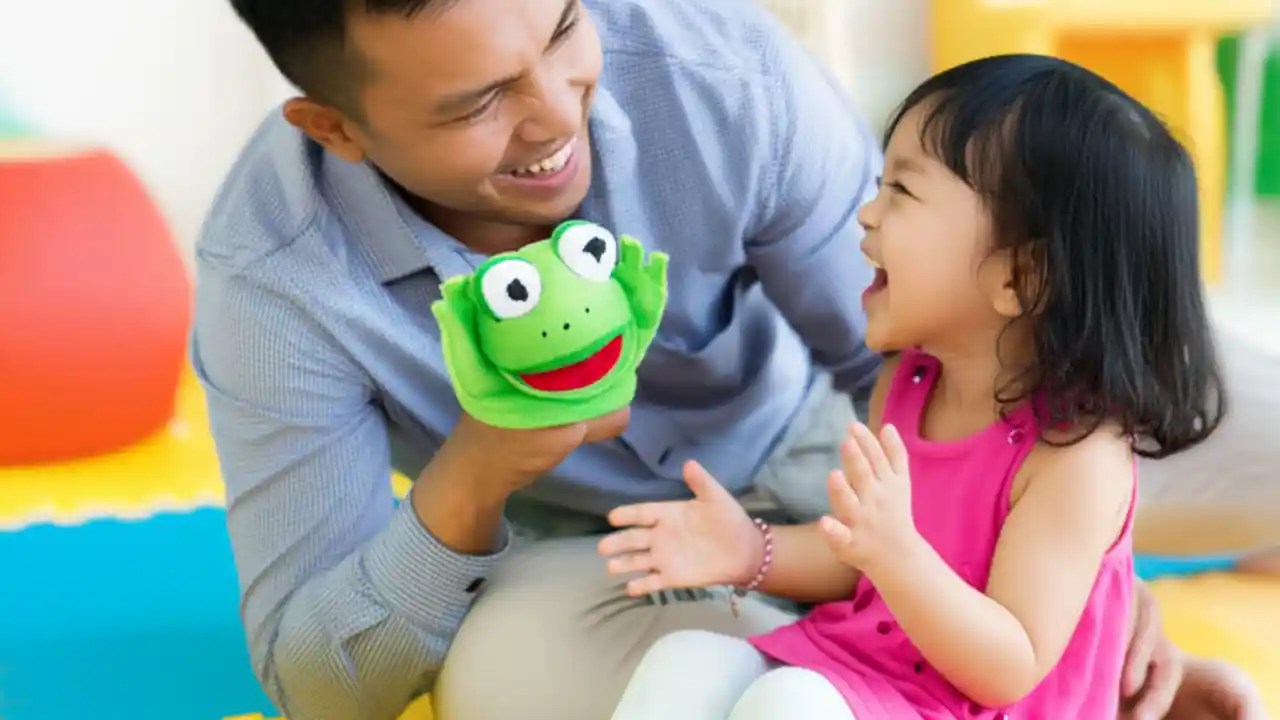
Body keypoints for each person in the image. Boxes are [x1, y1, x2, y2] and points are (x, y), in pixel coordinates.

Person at [197, 0, 1268, 718]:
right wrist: (479, 468)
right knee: (496, 674)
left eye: (564, 25)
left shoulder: (720, 74)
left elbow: (936, 324)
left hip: (881, 455)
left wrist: (1078, 593)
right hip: (618, 559)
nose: (557, 112)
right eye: (479, 102)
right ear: (335, 129)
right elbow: (318, 681)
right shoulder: (276, 281)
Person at [603, 52, 1221, 720]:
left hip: (973, 705)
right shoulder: (909, 381)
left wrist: (897, 554)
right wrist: (752, 549)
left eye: (902, 191)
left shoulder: (1077, 456)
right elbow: (859, 557)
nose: (867, 214)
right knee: (687, 660)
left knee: (792, 703)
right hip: (868, 669)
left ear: (1020, 277)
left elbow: (1010, 666)